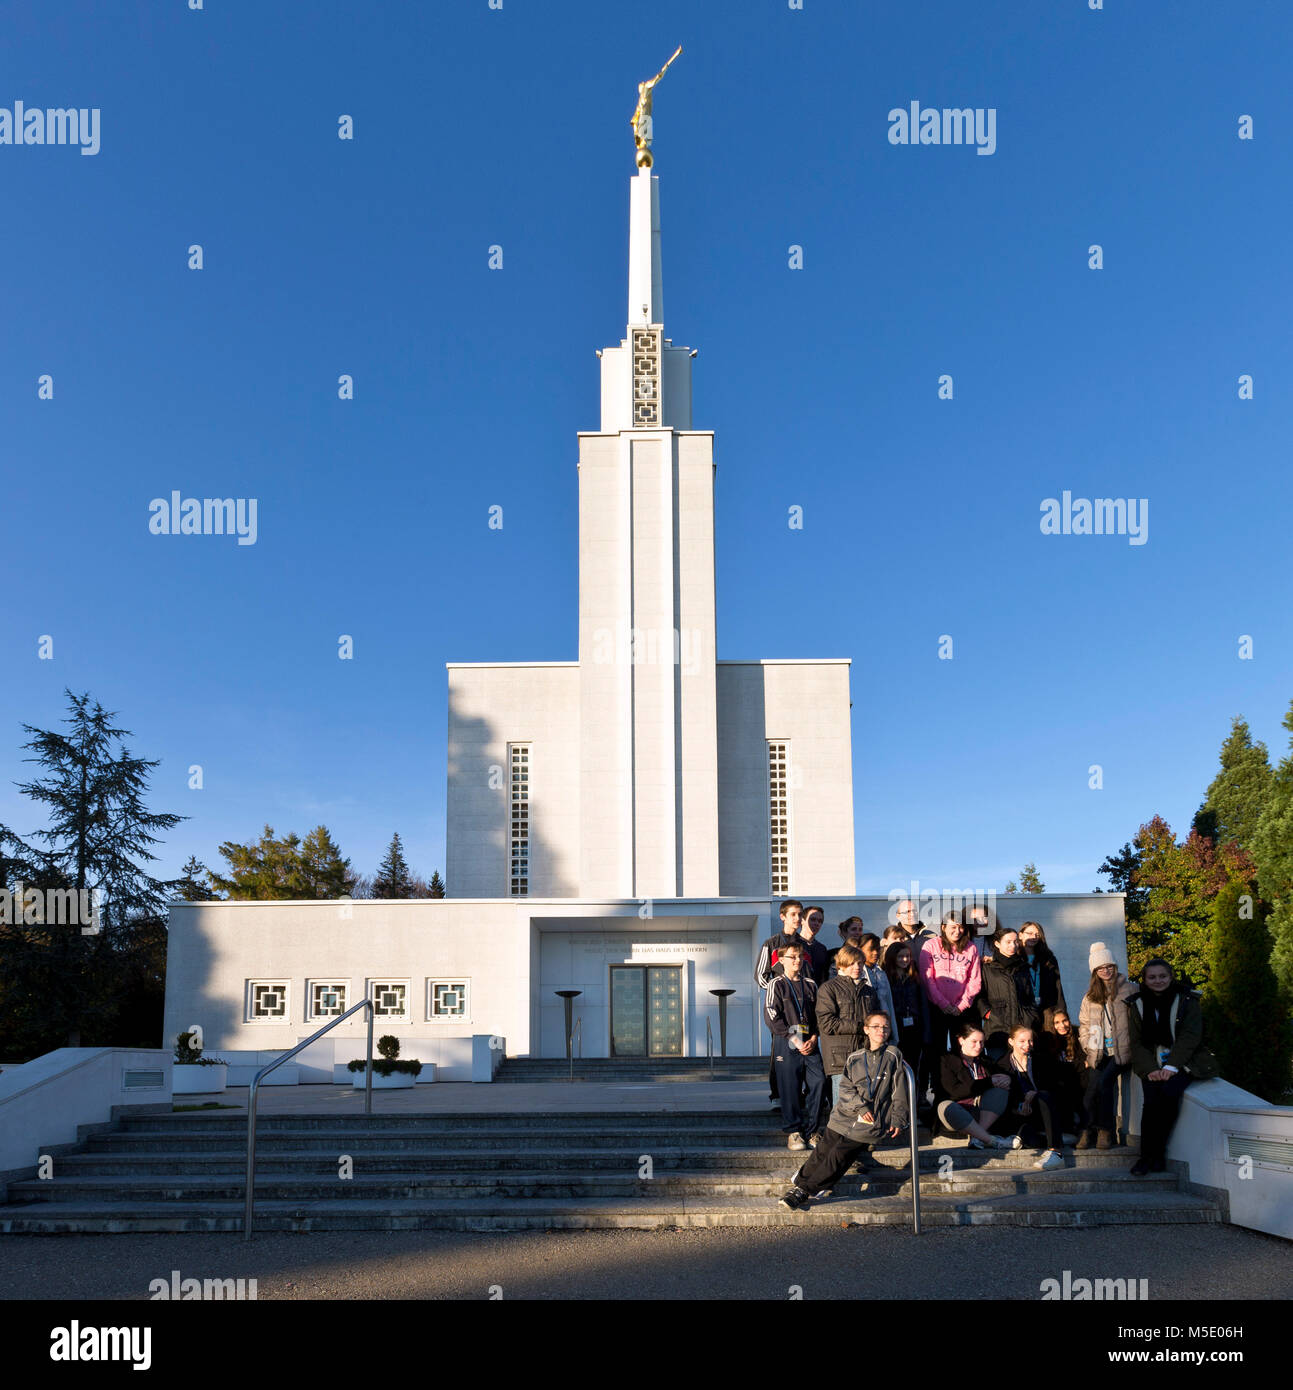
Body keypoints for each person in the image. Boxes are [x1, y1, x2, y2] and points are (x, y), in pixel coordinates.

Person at [778, 1013, 909, 1210]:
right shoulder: (855, 1057)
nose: (881, 1031)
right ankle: (802, 1179)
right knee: (823, 1150)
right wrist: (860, 1106)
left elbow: (900, 1091)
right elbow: (846, 1088)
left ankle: (803, 1191)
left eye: (885, 1027)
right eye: (875, 1026)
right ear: (866, 1030)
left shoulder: (893, 1055)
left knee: (838, 1156)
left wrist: (899, 1119)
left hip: (869, 1122)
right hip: (845, 1115)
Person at [1127, 959, 1212, 1176]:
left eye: (1162, 976)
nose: (1158, 981)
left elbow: (1190, 1036)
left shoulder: (1187, 999)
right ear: (1145, 980)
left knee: (1168, 1098)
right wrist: (1150, 1069)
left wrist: (1172, 1066)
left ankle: (1157, 1155)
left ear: (1170, 976)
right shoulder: (1136, 1003)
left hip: (1183, 1063)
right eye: (1152, 977)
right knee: (1151, 1105)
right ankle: (1146, 1157)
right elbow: (1136, 1042)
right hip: (1152, 1064)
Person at [764, 940, 826, 1150]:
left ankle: (812, 1131)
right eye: (792, 957)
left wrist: (815, 1036)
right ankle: (794, 1132)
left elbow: (819, 1013)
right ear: (782, 960)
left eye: (800, 956)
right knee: (790, 1087)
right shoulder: (776, 984)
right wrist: (795, 1040)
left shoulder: (810, 984)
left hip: (810, 1041)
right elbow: (772, 1015)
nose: (797, 960)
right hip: (788, 1041)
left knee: (818, 1082)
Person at [1076, 942, 1136, 1150]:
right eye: (1101, 968)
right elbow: (1084, 1025)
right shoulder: (1089, 996)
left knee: (1104, 1085)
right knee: (1091, 1090)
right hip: (1099, 1052)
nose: (1106, 970)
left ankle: (1106, 1130)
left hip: (1122, 1052)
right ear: (1095, 971)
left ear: (1115, 966)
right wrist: (1088, 1046)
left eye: (1109, 966)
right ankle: (1088, 1130)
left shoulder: (1130, 989)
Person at [932, 1020, 1021, 1150]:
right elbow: (953, 1091)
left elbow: (1003, 1082)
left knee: (1000, 1090)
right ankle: (992, 1140)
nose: (979, 1046)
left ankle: (978, 1138)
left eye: (982, 1042)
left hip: (982, 1114)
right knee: (945, 1107)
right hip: (959, 1114)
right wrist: (989, 1082)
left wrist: (1007, 1080)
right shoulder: (946, 1060)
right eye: (974, 1041)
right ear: (961, 1040)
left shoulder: (986, 1062)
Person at [815, 944, 881, 1107]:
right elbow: (827, 1023)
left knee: (864, 1109)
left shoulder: (869, 991)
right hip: (839, 1059)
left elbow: (877, 1021)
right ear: (841, 965)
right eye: (852, 963)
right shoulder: (829, 988)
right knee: (842, 1111)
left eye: (860, 963)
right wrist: (862, 1027)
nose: (857, 967)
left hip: (866, 1056)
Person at [756, 899, 804, 1105]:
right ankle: (777, 1094)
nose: (798, 919)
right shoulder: (771, 944)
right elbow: (760, 976)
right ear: (782, 916)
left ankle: (800, 1094)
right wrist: (779, 991)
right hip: (782, 1008)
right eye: (793, 914)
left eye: (800, 914)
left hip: (803, 1007)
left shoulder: (804, 944)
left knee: (803, 1049)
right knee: (781, 1049)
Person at [918, 911, 983, 1057]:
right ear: (943, 927)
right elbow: (927, 979)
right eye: (953, 927)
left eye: (960, 927)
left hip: (961, 1009)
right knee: (936, 1050)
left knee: (960, 1050)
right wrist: (943, 1004)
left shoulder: (971, 948)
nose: (957, 931)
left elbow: (975, 981)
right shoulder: (930, 946)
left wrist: (961, 1005)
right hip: (936, 1008)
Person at [998, 1024, 1064, 1169]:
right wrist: (1019, 1107)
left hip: (1041, 1108)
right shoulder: (1001, 1065)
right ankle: (1053, 1138)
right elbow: (1004, 1096)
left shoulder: (1041, 1060)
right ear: (1011, 1042)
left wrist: (1035, 1093)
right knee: (1027, 1136)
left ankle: (1055, 1152)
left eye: (1030, 1041)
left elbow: (1055, 1088)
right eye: (1022, 1041)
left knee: (1044, 1096)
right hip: (1018, 1113)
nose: (1027, 1045)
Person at [977, 925, 1041, 1058]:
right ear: (997, 944)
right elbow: (979, 996)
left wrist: (1031, 1016)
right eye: (1008, 942)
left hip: (1022, 1029)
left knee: (1022, 1071)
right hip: (997, 1028)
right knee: (1000, 1070)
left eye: (1016, 941)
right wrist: (988, 1013)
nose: (1013, 945)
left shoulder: (1023, 967)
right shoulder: (987, 968)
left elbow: (1029, 996)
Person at [884, 940, 932, 1112]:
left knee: (913, 1067)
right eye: (901, 956)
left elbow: (923, 1006)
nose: (905, 959)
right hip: (896, 1028)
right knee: (895, 1067)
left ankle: (913, 1102)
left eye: (908, 956)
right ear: (892, 958)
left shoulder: (915, 978)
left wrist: (926, 1033)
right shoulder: (886, 978)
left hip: (914, 1028)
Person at [1041, 1007, 1089, 1137]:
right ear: (1051, 1024)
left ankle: (1085, 1129)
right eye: (1057, 1022)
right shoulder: (1048, 1039)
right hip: (1061, 1080)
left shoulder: (1077, 1034)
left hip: (1078, 1078)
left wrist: (1074, 1066)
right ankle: (1067, 1128)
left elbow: (1084, 1062)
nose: (1062, 1025)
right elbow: (1052, 1067)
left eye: (1065, 1020)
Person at [1018, 921, 1068, 1018]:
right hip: (1023, 1011)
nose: (1034, 937)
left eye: (1037, 934)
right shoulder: (1014, 958)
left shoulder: (1048, 959)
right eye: (1030, 933)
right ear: (1020, 935)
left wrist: (1062, 1011)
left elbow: (1057, 987)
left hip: (1046, 1010)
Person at [859, 933, 900, 1040]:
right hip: (865, 1029)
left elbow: (889, 1004)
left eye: (878, 949)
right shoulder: (856, 973)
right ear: (860, 949)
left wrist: (894, 1034)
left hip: (883, 1028)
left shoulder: (881, 972)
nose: (875, 953)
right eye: (871, 949)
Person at [799, 905, 831, 986]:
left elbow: (824, 977)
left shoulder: (822, 949)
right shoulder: (793, 944)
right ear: (802, 921)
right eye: (813, 919)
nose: (817, 923)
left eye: (820, 921)